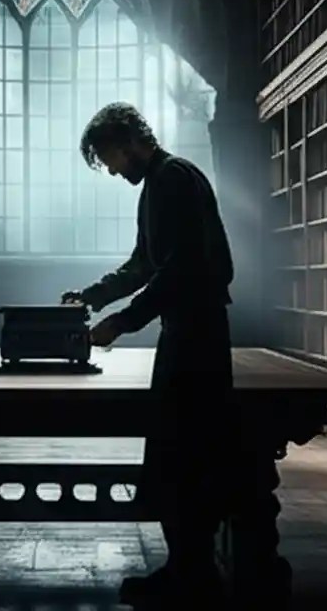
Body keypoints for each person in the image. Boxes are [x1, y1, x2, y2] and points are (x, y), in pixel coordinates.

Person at [61, 101, 235, 605]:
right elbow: (144, 263)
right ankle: (187, 569)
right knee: (176, 452)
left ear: (130, 141)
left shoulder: (173, 179)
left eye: (112, 159)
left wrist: (122, 321)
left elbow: (179, 270)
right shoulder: (160, 184)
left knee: (186, 453)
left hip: (197, 335)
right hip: (186, 330)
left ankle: (193, 576)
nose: (115, 171)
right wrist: (94, 296)